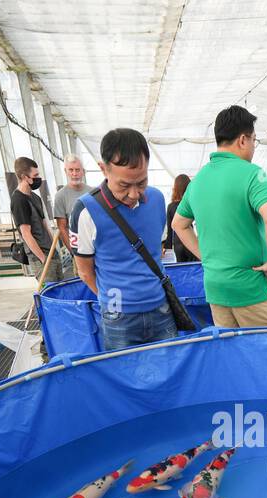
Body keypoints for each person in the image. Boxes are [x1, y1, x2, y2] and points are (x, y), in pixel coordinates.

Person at [171, 105, 267, 329]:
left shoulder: (199, 179)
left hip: (215, 287)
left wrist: (205, 256)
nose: (253, 146)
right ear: (242, 140)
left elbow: (179, 224)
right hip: (249, 287)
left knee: (230, 353)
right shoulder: (253, 173)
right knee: (260, 353)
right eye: (254, 140)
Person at [68, 128, 175, 350]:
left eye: (142, 182)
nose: (134, 193)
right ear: (103, 169)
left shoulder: (156, 199)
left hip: (161, 309)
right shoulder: (86, 211)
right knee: (125, 377)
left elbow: (158, 250)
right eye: (124, 185)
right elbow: (85, 271)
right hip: (119, 319)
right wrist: (112, 301)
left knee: (170, 372)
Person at [10, 156, 54, 279]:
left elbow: (45, 225)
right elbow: (26, 234)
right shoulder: (19, 200)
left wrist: (53, 249)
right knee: (50, 294)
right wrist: (43, 258)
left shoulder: (35, 197)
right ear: (25, 177)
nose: (38, 178)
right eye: (36, 175)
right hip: (40, 257)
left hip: (50, 252)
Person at [52, 155, 90, 279]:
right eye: (71, 170)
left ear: (83, 171)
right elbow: (62, 228)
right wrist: (75, 253)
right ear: (66, 171)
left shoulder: (93, 193)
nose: (74, 174)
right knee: (83, 282)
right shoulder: (60, 196)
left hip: (96, 248)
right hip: (79, 250)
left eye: (77, 170)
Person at [164, 173, 196, 263]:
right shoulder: (191, 204)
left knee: (181, 269)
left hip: (178, 243)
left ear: (175, 188)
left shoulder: (171, 206)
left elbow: (170, 230)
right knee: (193, 268)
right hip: (190, 240)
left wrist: (167, 247)